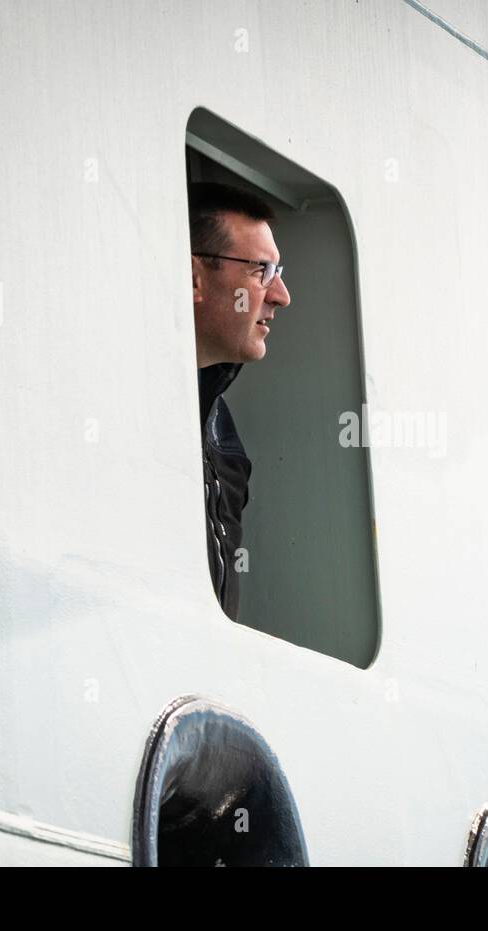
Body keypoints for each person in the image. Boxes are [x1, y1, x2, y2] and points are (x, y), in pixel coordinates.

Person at [189, 182, 291, 620]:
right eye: (261, 271)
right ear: (194, 277)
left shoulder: (221, 429)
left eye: (278, 271)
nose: (281, 295)